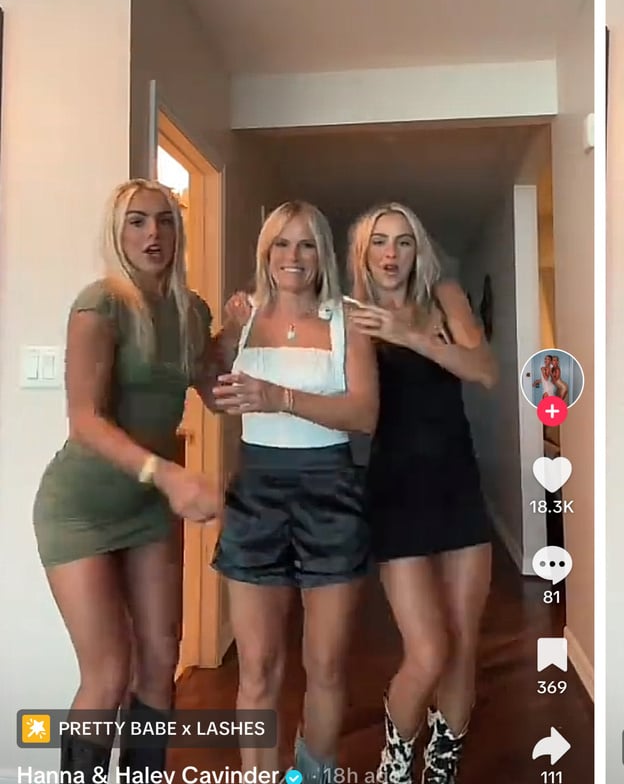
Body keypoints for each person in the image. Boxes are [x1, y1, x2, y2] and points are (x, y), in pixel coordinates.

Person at [32, 179, 225, 781]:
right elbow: (85, 419)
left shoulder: (191, 311)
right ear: (118, 233)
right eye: (137, 221)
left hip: (147, 509)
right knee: (108, 672)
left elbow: (212, 390)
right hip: (80, 509)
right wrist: (166, 474)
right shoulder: (101, 305)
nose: (153, 234)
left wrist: (245, 332)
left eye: (164, 220)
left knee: (160, 663)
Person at [212, 201, 379, 781]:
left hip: (331, 491)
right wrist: (226, 333)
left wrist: (277, 397)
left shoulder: (347, 318)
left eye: (307, 244)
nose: (294, 256)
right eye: (281, 243)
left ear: (322, 254)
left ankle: (312, 773)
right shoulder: (244, 316)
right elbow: (212, 389)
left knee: (326, 664)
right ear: (266, 252)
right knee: (257, 665)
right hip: (255, 491)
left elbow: (364, 414)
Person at [344, 203, 497, 784]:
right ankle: (395, 762)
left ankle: (442, 766)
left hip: (457, 485)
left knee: (462, 645)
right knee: (429, 650)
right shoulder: (351, 316)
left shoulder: (444, 297)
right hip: (396, 491)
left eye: (403, 242)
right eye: (380, 242)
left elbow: (484, 369)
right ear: (363, 254)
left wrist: (413, 337)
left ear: (418, 251)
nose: (391, 253)